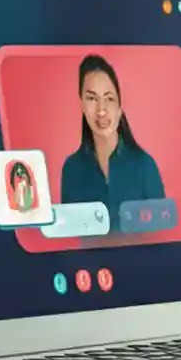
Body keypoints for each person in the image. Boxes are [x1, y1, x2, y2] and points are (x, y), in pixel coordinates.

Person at [61, 55, 165, 232]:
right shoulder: (72, 169)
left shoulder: (145, 165)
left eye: (109, 98)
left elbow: (163, 234)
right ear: (82, 105)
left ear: (119, 106)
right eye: (92, 99)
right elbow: (70, 238)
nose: (101, 110)